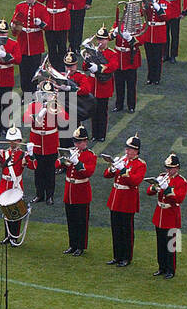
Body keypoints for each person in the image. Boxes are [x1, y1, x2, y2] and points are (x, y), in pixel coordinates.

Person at [103, 136, 147, 267]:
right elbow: (106, 175)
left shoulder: (140, 164)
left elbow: (135, 181)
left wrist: (123, 171)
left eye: (130, 149)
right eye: (127, 149)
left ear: (137, 151)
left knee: (126, 231)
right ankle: (117, 256)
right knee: (115, 229)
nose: (127, 152)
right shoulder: (122, 159)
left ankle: (126, 257)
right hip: (116, 198)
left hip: (127, 200)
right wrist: (112, 168)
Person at [0, 127, 30, 246]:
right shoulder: (3, 153)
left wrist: (31, 154)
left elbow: (33, 166)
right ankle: (7, 236)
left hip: (16, 185)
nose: (13, 142)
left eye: (15, 140)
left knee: (16, 212)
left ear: (19, 140)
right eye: (11, 140)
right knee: (6, 212)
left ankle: (14, 237)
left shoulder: (23, 154)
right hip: (5, 185)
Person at [25, 83, 67, 204]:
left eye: (47, 95)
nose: (45, 97)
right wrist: (37, 115)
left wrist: (54, 108)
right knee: (38, 170)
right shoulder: (33, 105)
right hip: (37, 141)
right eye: (43, 94)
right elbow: (26, 119)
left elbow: (65, 119)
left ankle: (49, 195)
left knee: (49, 171)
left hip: (50, 142)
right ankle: (39, 194)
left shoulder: (55, 106)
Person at [148, 153, 187, 278]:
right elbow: (149, 192)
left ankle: (171, 270)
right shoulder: (162, 176)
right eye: (167, 168)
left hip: (171, 215)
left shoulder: (181, 181)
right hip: (160, 214)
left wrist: (168, 189)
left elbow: (179, 199)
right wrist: (155, 187)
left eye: (171, 168)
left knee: (171, 245)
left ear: (177, 168)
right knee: (160, 244)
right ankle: (162, 267)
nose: (168, 170)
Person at [58, 127, 96, 256]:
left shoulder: (90, 155)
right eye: (76, 142)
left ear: (85, 141)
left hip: (81, 192)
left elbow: (88, 172)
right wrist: (63, 161)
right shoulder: (71, 151)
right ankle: (72, 244)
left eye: (79, 142)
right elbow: (57, 165)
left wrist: (77, 163)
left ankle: (80, 246)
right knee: (71, 220)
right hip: (69, 191)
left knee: (81, 221)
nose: (77, 145)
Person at [12, 0, 48, 95]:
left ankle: (34, 91)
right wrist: (13, 25)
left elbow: (47, 26)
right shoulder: (20, 6)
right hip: (22, 44)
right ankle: (25, 92)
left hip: (35, 44)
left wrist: (40, 23)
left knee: (34, 71)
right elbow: (15, 21)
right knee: (24, 71)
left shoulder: (41, 8)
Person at [41, 0, 71, 71]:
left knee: (62, 47)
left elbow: (72, 0)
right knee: (51, 48)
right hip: (49, 21)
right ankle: (53, 69)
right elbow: (39, 0)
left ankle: (62, 69)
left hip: (62, 21)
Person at [142, 0, 169, 86]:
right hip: (148, 33)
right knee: (149, 57)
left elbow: (166, 17)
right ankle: (150, 77)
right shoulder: (148, 1)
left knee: (157, 58)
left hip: (159, 34)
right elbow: (142, 13)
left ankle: (156, 77)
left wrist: (157, 7)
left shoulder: (165, 2)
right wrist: (145, 6)